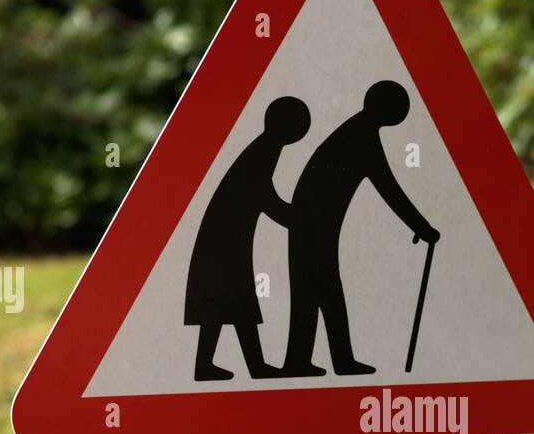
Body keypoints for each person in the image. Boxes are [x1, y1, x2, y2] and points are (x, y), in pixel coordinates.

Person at [281, 80, 440, 376]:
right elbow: (389, 189)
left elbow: (387, 188)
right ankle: (319, 361)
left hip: (312, 224)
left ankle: (314, 360)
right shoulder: (361, 137)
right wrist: (423, 227)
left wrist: (422, 226)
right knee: (319, 292)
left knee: (318, 292)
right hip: (313, 226)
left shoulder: (356, 130)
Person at [184, 96, 311, 380]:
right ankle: (234, 367)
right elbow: (263, 194)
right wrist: (297, 219)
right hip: (224, 241)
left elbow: (262, 195)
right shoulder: (264, 150)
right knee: (227, 300)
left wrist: (291, 217)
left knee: (229, 302)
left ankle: (237, 366)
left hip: (227, 239)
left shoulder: (266, 147)